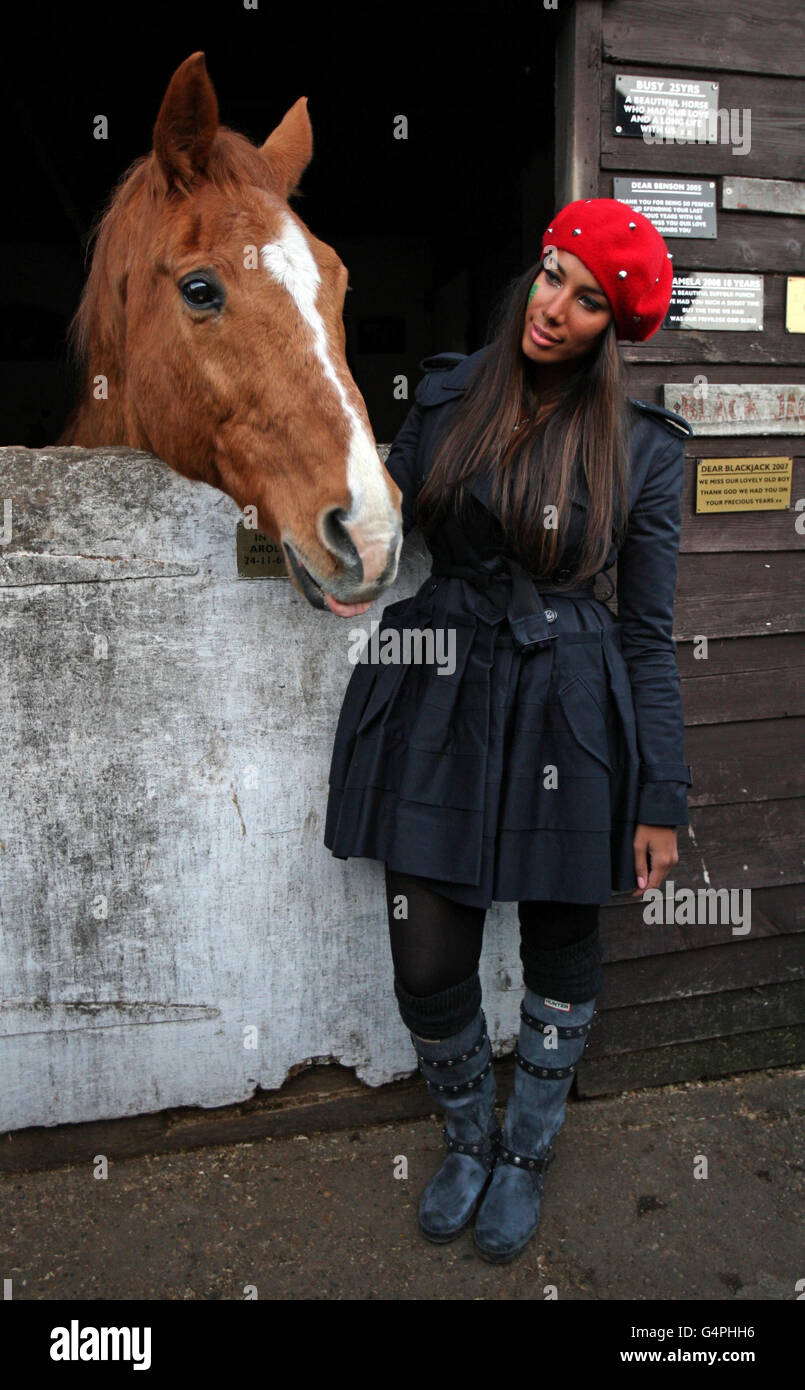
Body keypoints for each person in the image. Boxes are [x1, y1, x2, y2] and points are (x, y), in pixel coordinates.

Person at [324, 197, 694, 1264]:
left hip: (569, 701)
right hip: (439, 686)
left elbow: (648, 632)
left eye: (588, 300)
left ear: (612, 328)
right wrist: (346, 551)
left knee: (559, 942)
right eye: (551, 274)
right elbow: (382, 522)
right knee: (425, 951)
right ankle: (465, 1137)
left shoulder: (643, 450)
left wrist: (659, 794)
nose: (555, 308)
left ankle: (526, 1152)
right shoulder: (446, 391)